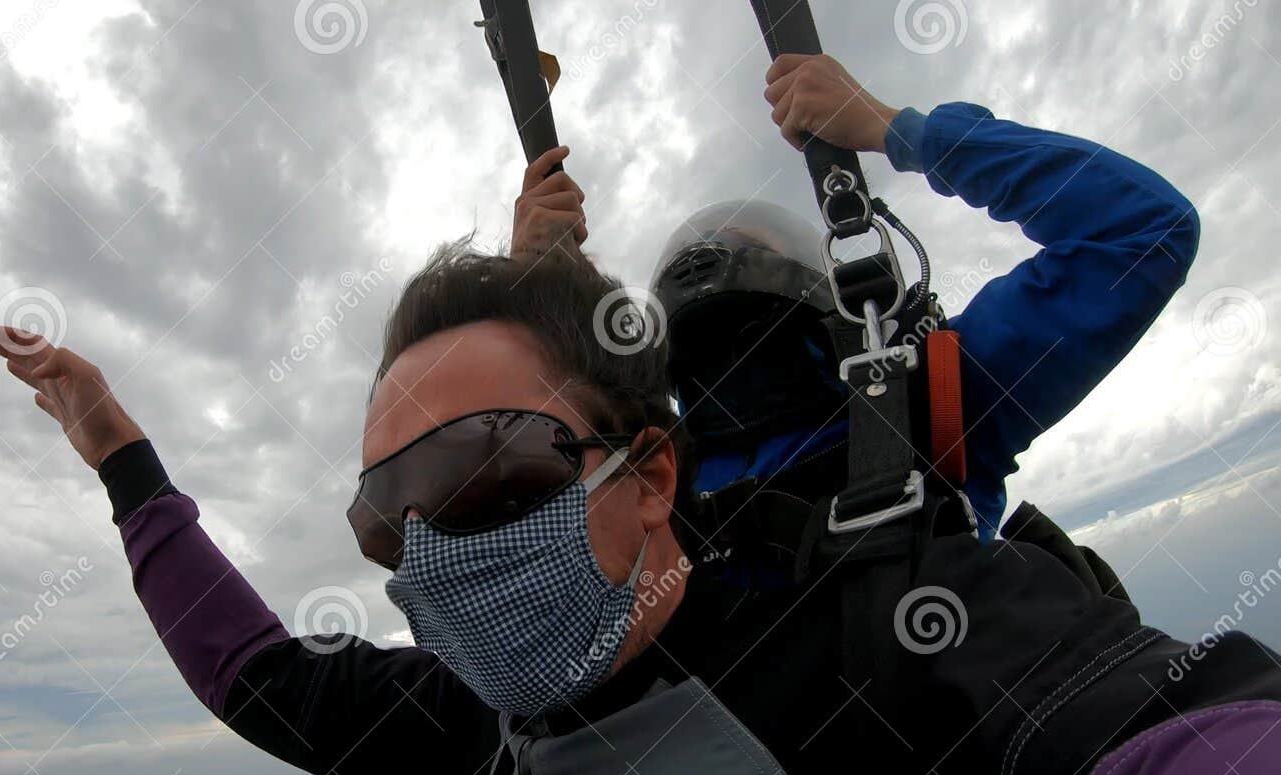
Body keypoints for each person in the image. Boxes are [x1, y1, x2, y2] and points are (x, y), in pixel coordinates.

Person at [0, 62, 1281, 775]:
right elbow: (281, 672)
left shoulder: (904, 539)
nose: (438, 549)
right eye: (394, 519)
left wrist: (894, 128)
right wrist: (119, 450)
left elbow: (1162, 747)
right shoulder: (539, 674)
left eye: (497, 481)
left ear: (656, 470)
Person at [514, 55, 1202, 544]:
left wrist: (893, 127)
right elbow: (1143, 233)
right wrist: (527, 298)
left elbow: (1141, 232)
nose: (720, 249)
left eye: (743, 239)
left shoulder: (931, 397)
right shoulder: (644, 469)